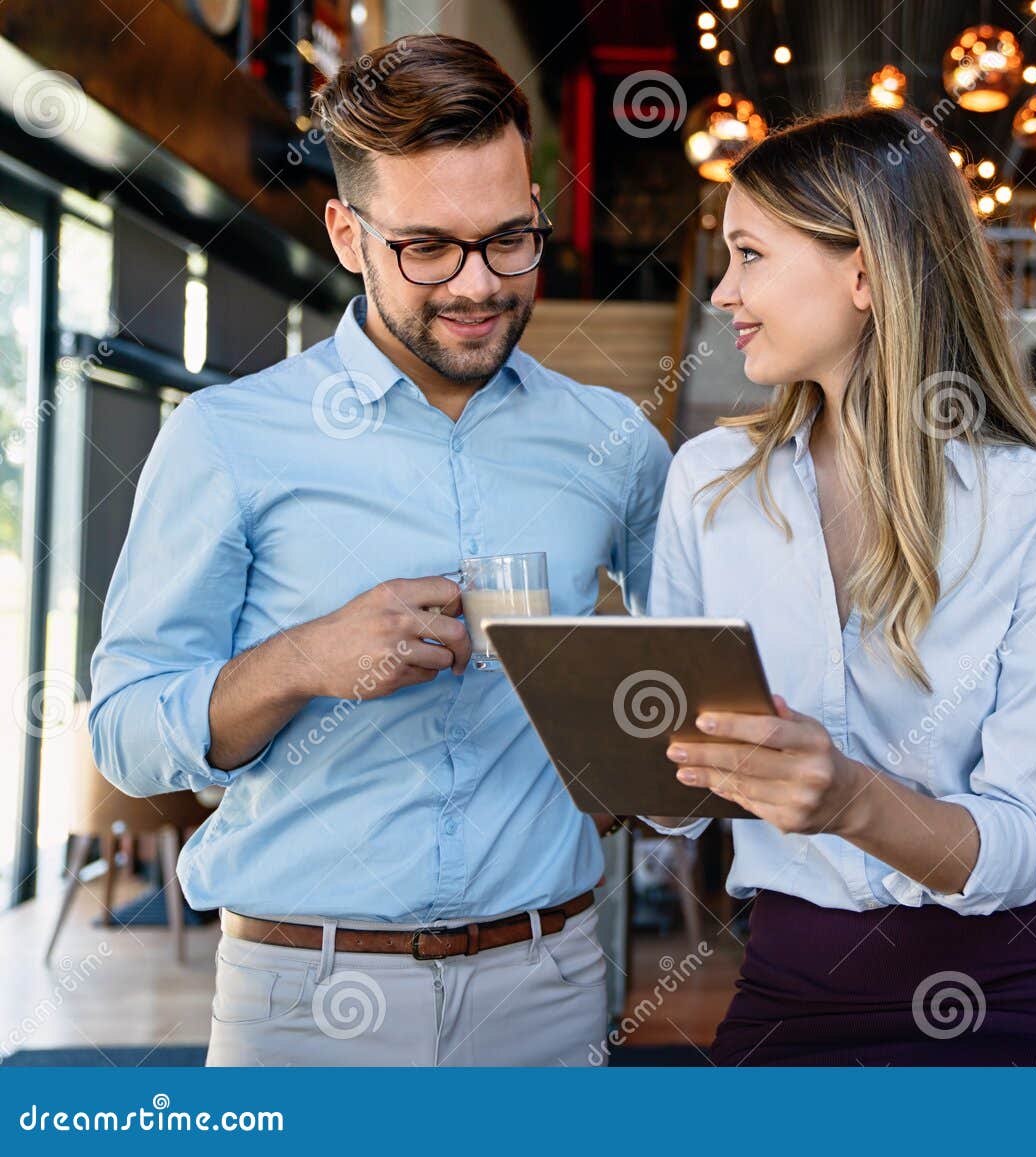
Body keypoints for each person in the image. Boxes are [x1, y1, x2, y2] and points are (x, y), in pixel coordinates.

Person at [89, 36, 671, 1066]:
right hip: (299, 999)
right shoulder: (228, 438)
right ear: (347, 234)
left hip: (548, 982)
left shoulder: (614, 441)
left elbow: (693, 664)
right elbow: (127, 730)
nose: (478, 284)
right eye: (429, 248)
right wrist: (301, 661)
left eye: (508, 239)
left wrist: (646, 754)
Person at [644, 107, 1036, 1066]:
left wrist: (852, 800)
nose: (723, 293)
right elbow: (671, 793)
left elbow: (1022, 842)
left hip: (1017, 985)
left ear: (864, 272)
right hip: (793, 980)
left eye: (750, 255)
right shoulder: (707, 481)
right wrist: (613, 736)